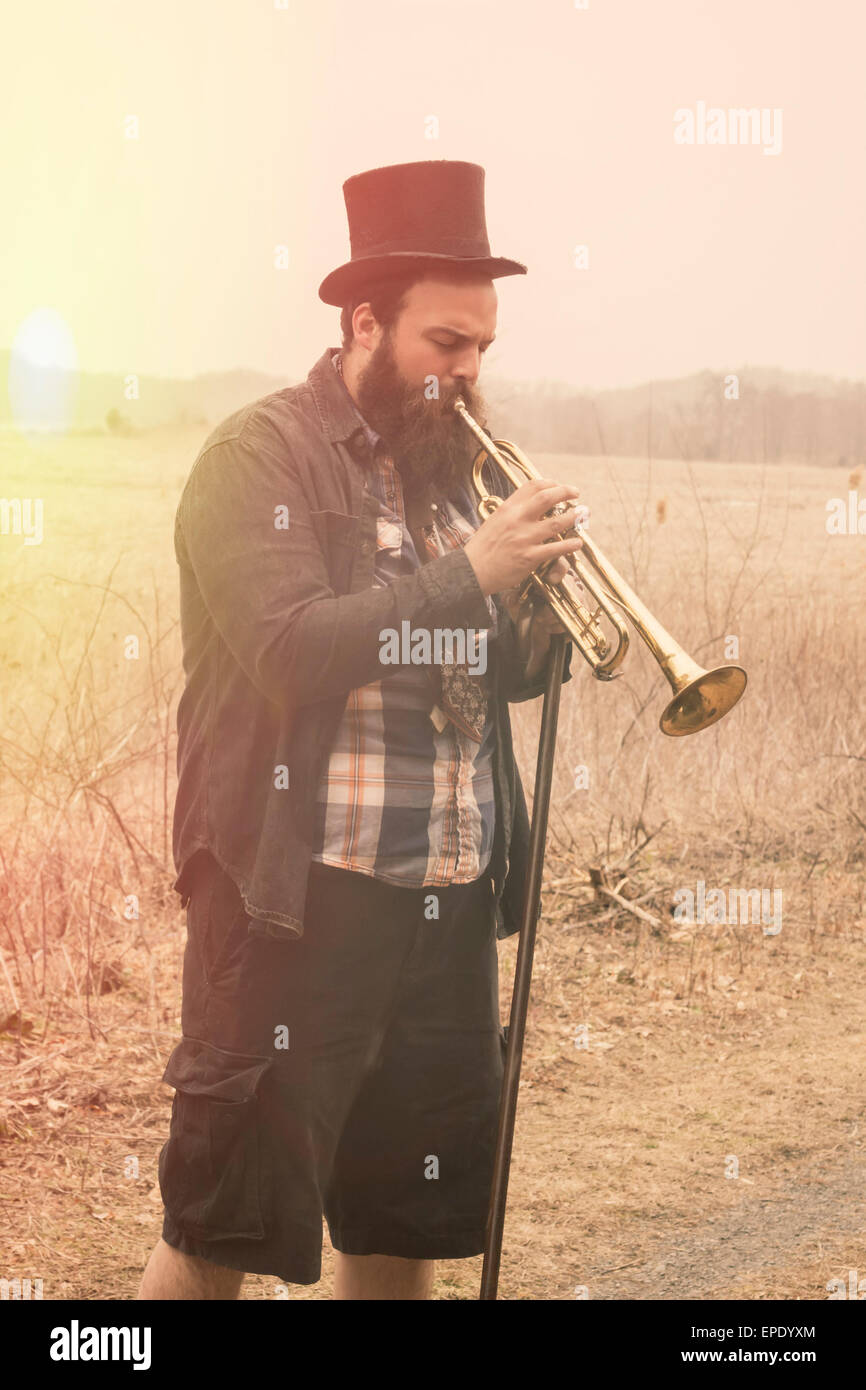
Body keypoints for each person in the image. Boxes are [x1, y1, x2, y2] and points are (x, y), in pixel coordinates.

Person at [137, 160, 584, 1301]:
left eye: (482, 347)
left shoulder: (453, 475)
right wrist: (469, 578)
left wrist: (531, 610)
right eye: (445, 344)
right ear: (363, 322)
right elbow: (290, 649)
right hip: (294, 907)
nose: (469, 372)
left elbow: (488, 676)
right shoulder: (259, 457)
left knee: (401, 1227)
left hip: (441, 909)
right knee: (224, 1229)